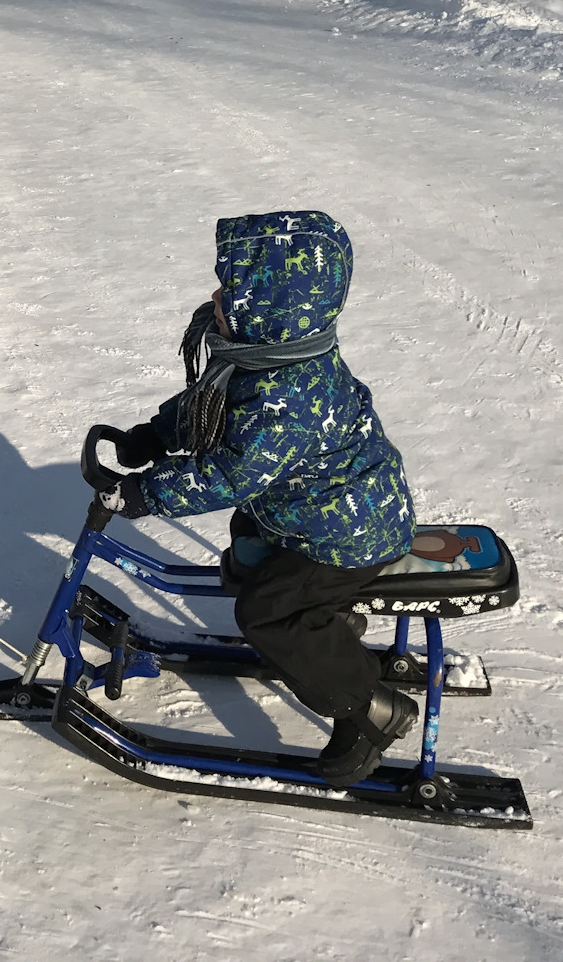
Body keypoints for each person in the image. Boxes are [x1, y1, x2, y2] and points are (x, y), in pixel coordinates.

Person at [92, 210, 419, 785]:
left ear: (271, 306)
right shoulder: (269, 357)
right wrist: (151, 438)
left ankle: (369, 708)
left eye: (231, 290)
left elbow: (230, 472)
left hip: (344, 535)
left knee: (268, 613)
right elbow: (209, 412)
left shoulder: (285, 398)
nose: (217, 297)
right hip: (316, 511)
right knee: (250, 545)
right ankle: (325, 620)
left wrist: (146, 491)